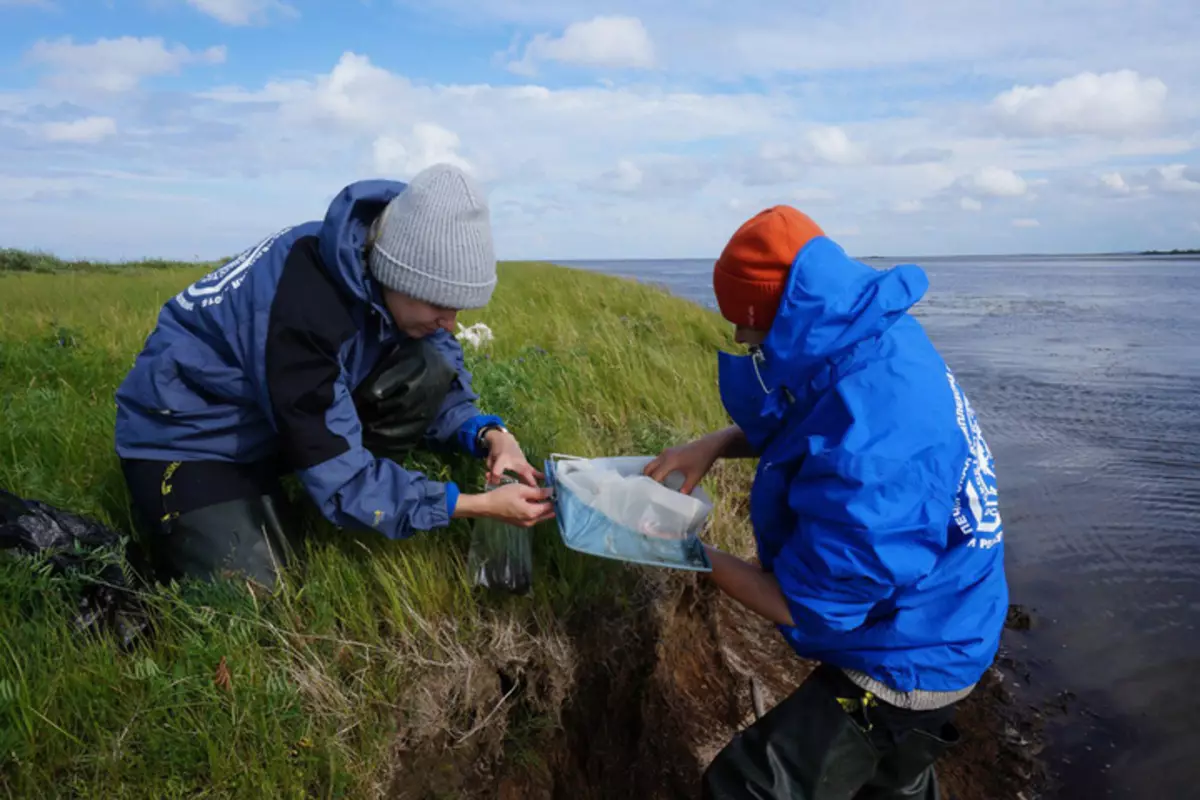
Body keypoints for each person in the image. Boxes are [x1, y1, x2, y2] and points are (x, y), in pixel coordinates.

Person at [645, 205, 1008, 799]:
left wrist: (684, 549)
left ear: (782, 314)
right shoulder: (876, 339)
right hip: (957, 611)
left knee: (748, 786)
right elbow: (813, 417)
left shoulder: (878, 450)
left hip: (910, 655)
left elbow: (806, 607)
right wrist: (711, 444)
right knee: (893, 783)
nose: (739, 337)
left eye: (747, 323)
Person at [113, 163, 555, 589]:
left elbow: (441, 380)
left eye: (458, 308)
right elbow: (343, 478)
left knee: (429, 362)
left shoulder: (381, 267)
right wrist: (473, 505)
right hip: (189, 436)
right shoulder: (303, 309)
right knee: (254, 590)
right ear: (394, 273)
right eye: (439, 305)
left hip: (273, 415)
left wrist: (490, 434)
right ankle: (245, 501)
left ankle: (324, 482)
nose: (451, 323)